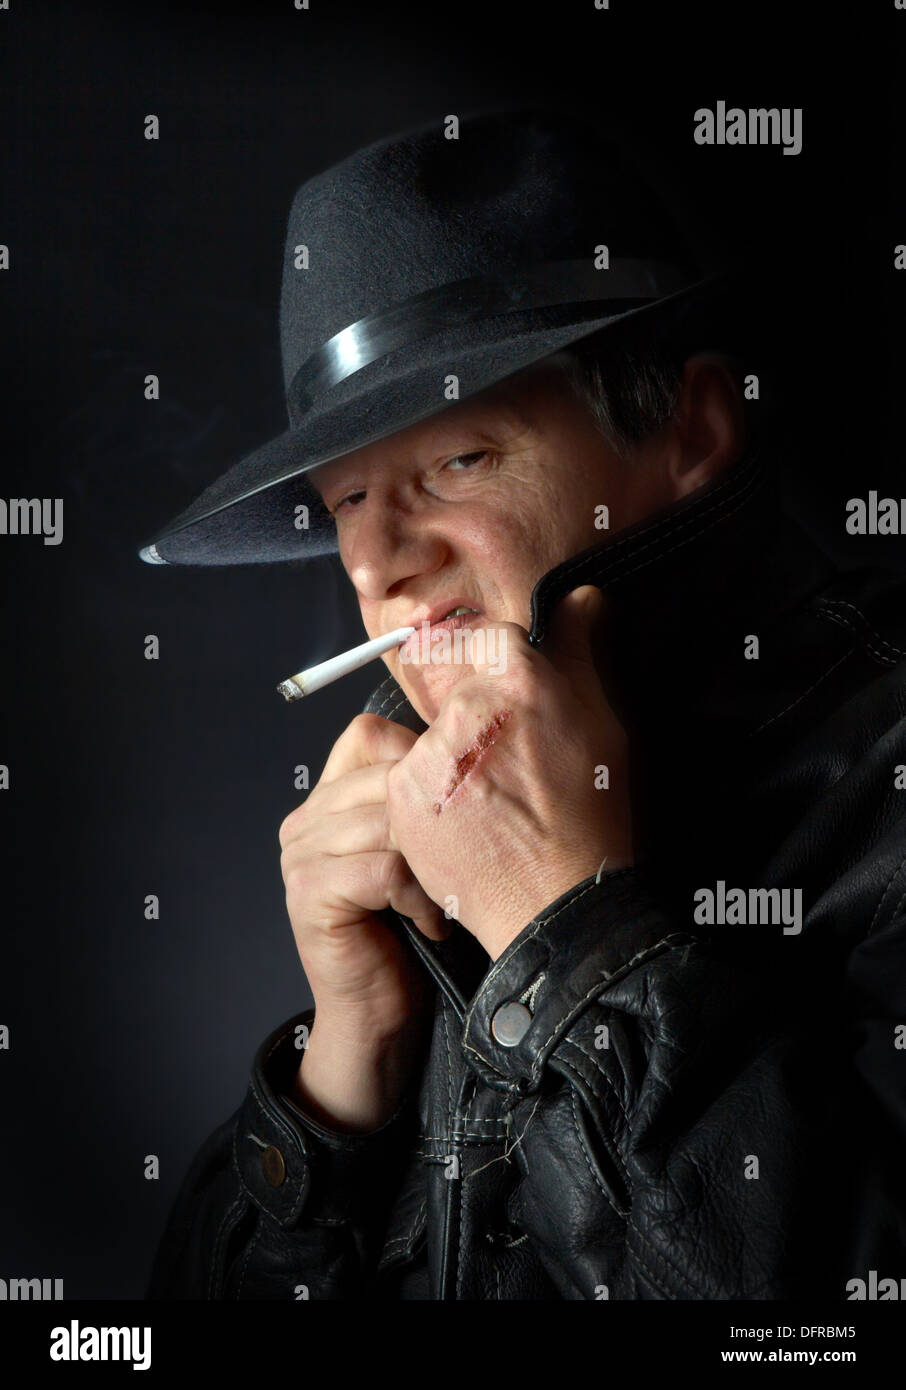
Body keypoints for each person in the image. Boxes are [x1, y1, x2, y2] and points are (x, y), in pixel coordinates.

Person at [139, 108, 906, 1299]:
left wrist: (570, 940)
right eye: (346, 501)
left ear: (690, 429)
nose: (377, 562)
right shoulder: (430, 825)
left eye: (458, 460)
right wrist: (341, 1077)